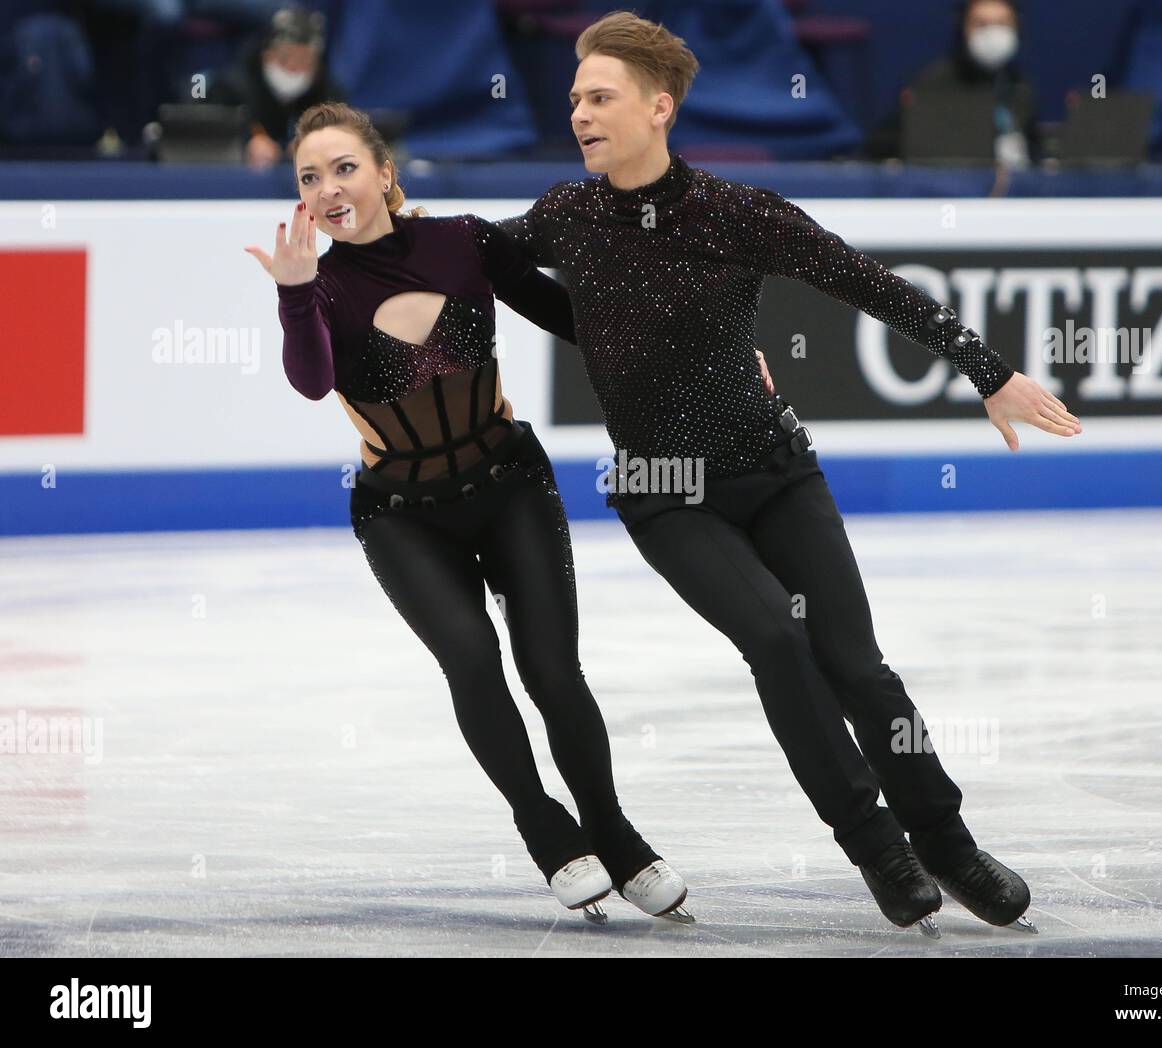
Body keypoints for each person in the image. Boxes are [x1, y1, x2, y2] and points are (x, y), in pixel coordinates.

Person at [498, 10, 1082, 937]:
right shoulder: (566, 217)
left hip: (774, 472)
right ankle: (878, 848)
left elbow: (867, 283)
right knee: (777, 640)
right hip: (663, 489)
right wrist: (364, 230)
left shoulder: (738, 213)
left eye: (600, 97)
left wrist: (988, 371)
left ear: (660, 107)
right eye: (573, 98)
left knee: (859, 667)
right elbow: (471, 258)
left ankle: (946, 838)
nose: (579, 114)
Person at [244, 100, 692, 923]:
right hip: (402, 514)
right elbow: (311, 382)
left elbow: (572, 318)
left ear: (385, 172)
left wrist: (693, 350)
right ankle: (548, 833)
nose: (329, 188)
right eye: (310, 178)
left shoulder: (463, 241)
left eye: (345, 167)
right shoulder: (319, 287)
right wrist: (295, 298)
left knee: (554, 673)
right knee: (473, 661)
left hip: (510, 484)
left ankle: (619, 839)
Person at [869, 0, 1040, 166]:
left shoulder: (1021, 89)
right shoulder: (932, 85)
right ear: (963, 29)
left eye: (1001, 23)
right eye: (981, 24)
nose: (992, 33)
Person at [212, 6, 348, 169]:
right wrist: (245, 143)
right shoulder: (231, 88)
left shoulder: (331, 96)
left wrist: (315, 141)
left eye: (304, 60)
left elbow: (341, 134)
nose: (293, 67)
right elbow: (210, 133)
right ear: (267, 54)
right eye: (285, 57)